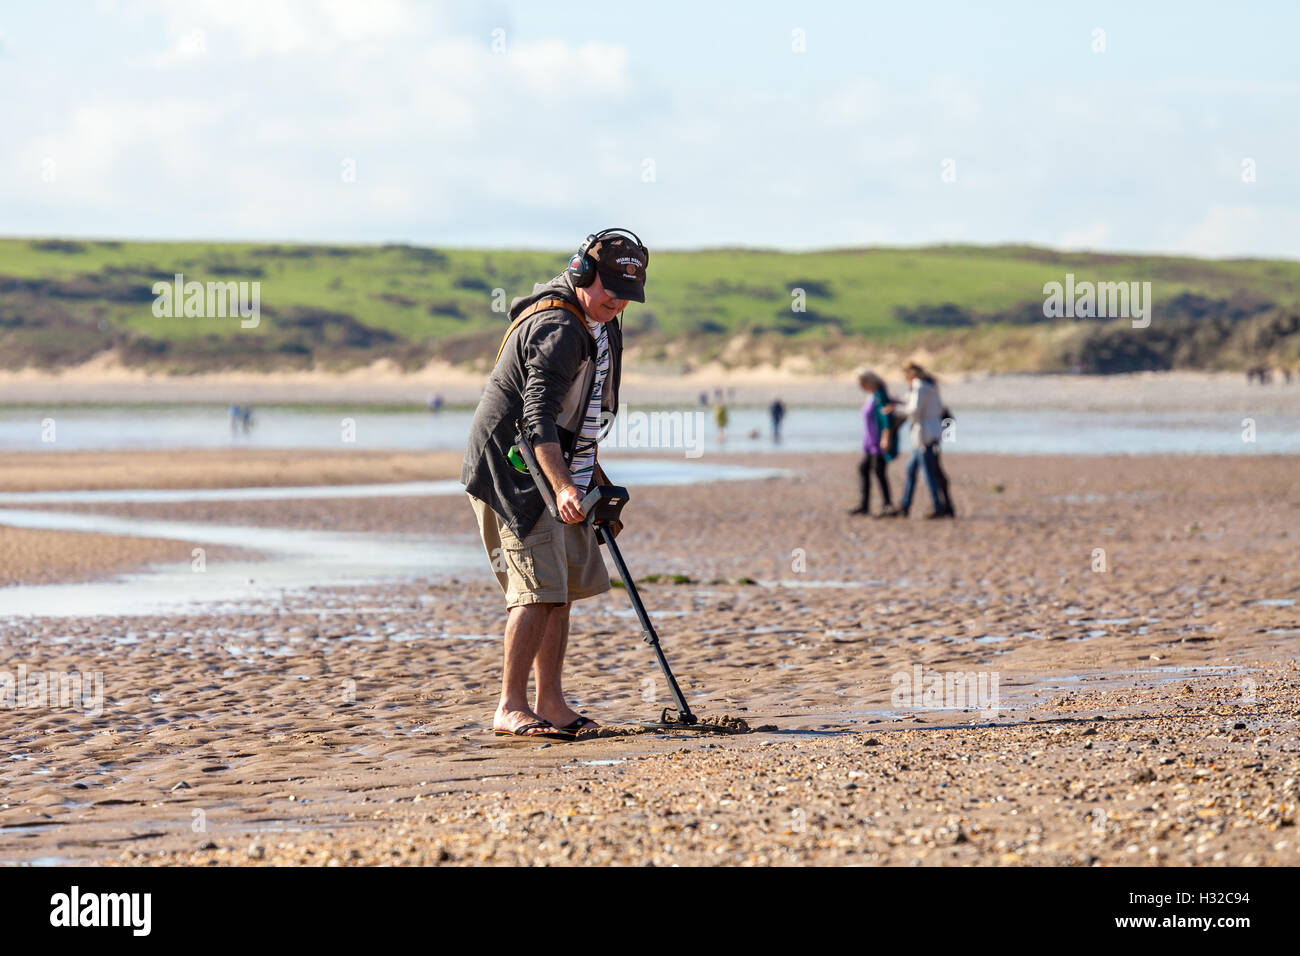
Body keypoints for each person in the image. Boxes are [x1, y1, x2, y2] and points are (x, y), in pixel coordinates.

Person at [461, 227, 648, 740]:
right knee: (535, 590)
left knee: (558, 590)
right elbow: (537, 416)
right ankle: (509, 706)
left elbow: (581, 416)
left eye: (628, 296)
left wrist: (594, 483)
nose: (618, 303)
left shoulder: (601, 322)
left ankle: (552, 703)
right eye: (610, 289)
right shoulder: (559, 328)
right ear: (582, 273)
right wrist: (565, 487)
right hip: (513, 468)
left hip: (552, 462)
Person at [881, 362, 953, 519]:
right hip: (931, 433)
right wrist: (896, 401)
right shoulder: (929, 386)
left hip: (923, 435)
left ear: (910, 375)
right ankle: (905, 505)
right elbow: (909, 400)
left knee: (929, 473)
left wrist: (895, 410)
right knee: (911, 470)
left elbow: (914, 410)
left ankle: (937, 505)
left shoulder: (920, 386)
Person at [850, 370, 894, 516]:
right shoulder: (872, 396)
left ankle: (887, 505)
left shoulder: (880, 395)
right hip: (870, 442)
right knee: (864, 469)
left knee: (879, 472)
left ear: (870, 382)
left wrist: (886, 436)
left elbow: (886, 417)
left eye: (862, 384)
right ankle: (865, 506)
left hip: (878, 442)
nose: (861, 387)